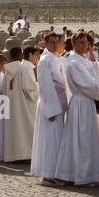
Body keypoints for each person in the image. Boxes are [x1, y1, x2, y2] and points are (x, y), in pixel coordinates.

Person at [55, 31, 99, 186]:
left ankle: (83, 173)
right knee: (82, 139)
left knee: (85, 138)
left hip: (85, 102)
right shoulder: (74, 62)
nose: (85, 45)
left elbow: (97, 76)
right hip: (81, 102)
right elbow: (90, 84)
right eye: (81, 42)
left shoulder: (81, 59)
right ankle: (82, 175)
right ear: (73, 44)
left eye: (86, 42)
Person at [31, 33, 68, 184]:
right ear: (44, 43)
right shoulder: (45, 60)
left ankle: (56, 171)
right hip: (51, 103)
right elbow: (45, 86)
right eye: (51, 42)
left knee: (57, 139)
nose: (54, 45)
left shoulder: (56, 58)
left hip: (59, 100)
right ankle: (48, 174)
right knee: (50, 140)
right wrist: (51, 109)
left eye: (56, 42)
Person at [2, 47, 38, 162]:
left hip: (11, 105)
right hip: (25, 106)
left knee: (15, 129)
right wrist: (38, 95)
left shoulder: (7, 70)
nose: (37, 57)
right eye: (36, 55)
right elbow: (28, 88)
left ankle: (14, 155)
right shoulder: (26, 68)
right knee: (27, 129)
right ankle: (27, 154)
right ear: (23, 55)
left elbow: (2, 89)